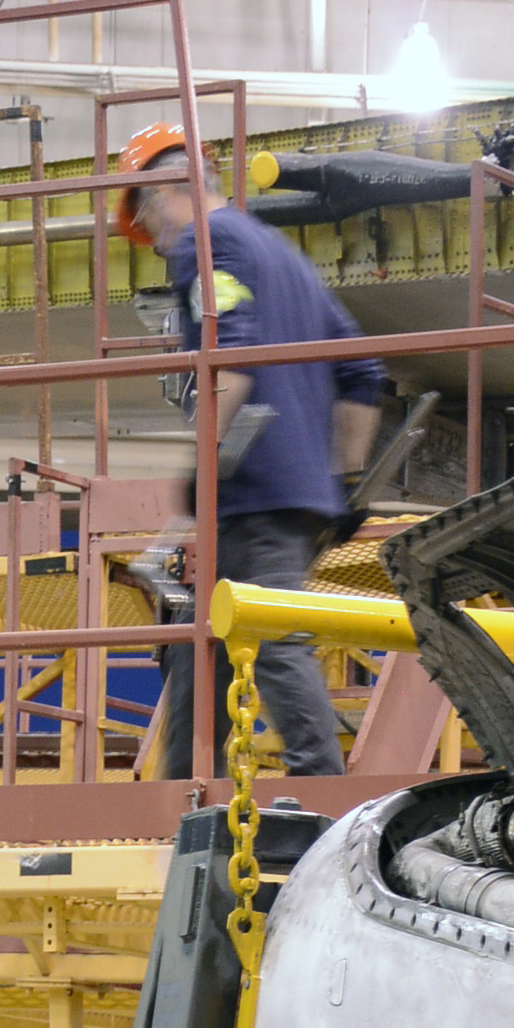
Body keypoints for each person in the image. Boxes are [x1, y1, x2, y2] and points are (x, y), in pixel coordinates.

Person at [118, 124, 390, 780]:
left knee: (275, 643)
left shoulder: (203, 244)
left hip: (253, 493)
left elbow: (230, 359)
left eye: (144, 221)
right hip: (294, 495)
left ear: (162, 192)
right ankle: (187, 798)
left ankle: (321, 790)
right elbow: (362, 371)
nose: (153, 241)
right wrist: (345, 480)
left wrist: (204, 461)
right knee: (196, 647)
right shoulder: (282, 254)